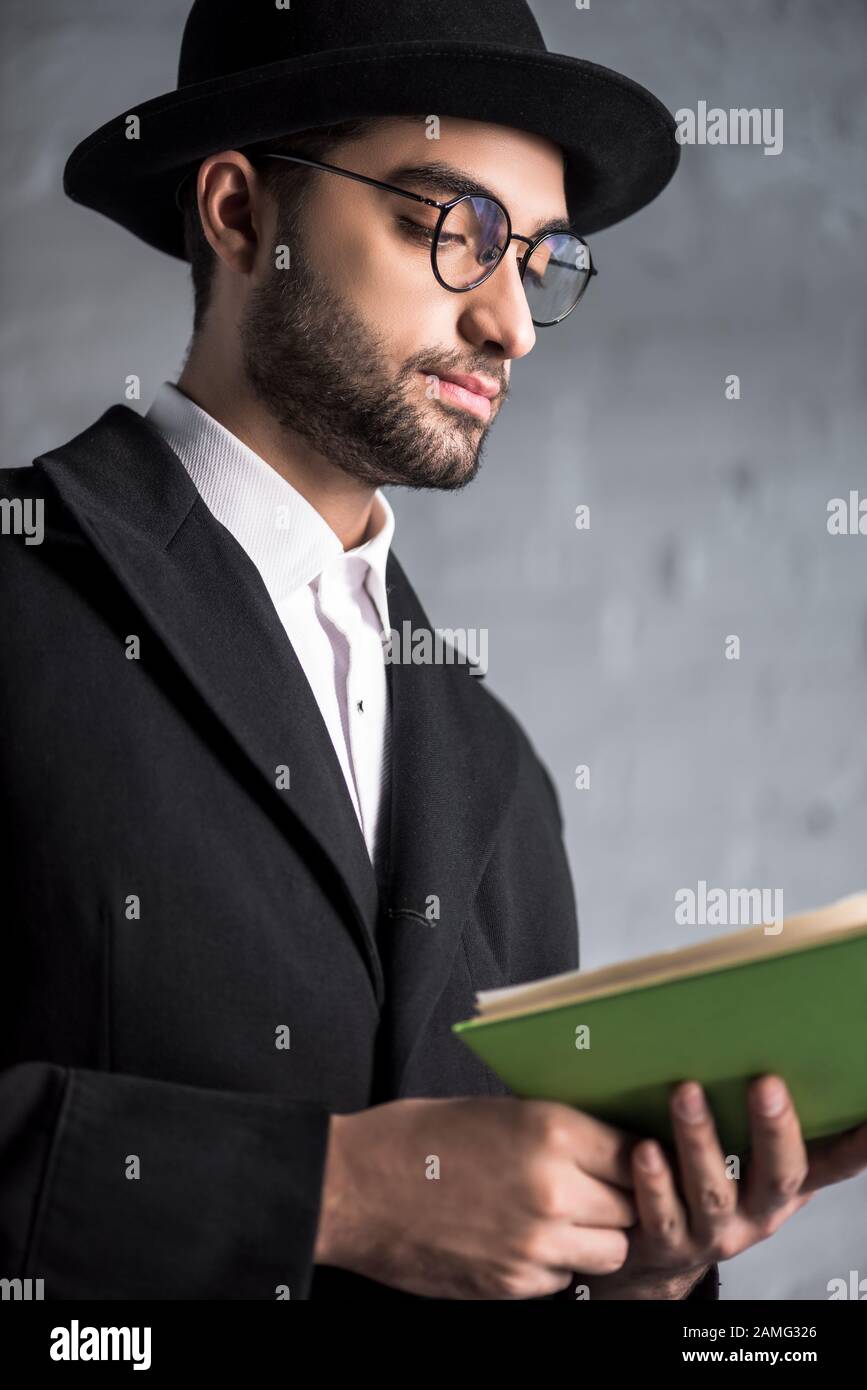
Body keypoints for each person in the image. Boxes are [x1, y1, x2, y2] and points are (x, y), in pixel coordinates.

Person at [2, 0, 865, 1302]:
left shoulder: (499, 777)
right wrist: (333, 1191)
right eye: (453, 233)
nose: (513, 325)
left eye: (541, 260)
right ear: (240, 216)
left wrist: (631, 1275)